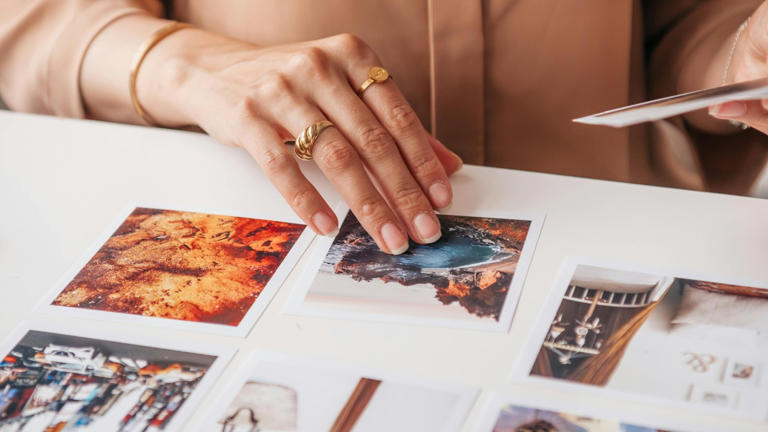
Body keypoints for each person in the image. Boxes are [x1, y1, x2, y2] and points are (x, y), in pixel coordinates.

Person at [0, 0, 765, 254]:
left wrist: (741, 55)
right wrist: (179, 63)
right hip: (271, 250)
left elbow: (683, 21)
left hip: (611, 243)